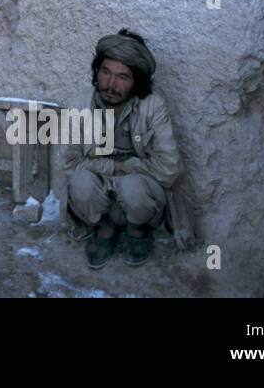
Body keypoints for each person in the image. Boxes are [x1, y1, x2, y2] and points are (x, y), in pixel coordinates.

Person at [63, 29, 186, 269]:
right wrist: (113, 166)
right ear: (97, 72)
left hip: (137, 193)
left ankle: (137, 230)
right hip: (100, 195)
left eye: (122, 77)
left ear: (136, 81)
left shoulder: (153, 106)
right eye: (106, 72)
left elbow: (170, 169)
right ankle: (103, 228)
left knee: (132, 186)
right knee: (81, 182)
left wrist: (128, 167)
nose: (111, 84)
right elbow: (69, 163)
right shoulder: (81, 103)